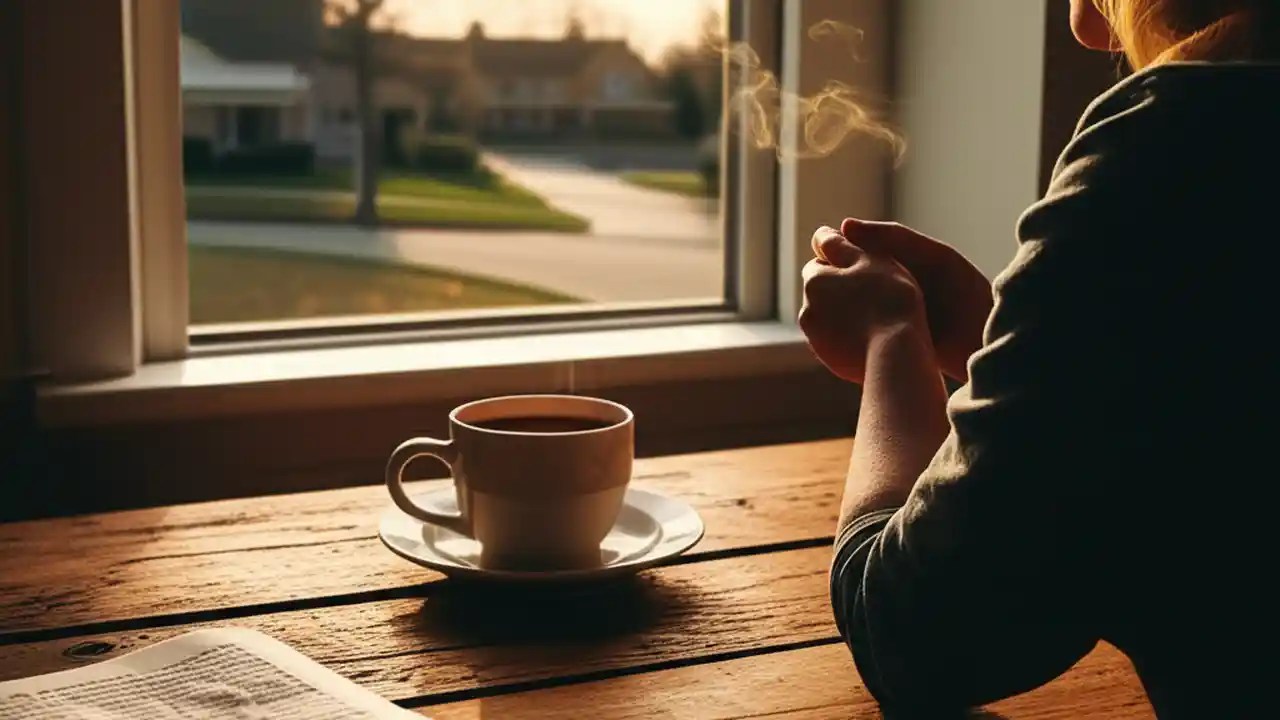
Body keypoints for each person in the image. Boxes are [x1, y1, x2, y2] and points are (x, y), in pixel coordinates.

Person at [805, 1, 1278, 717]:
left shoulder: (1182, 135)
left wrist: (888, 337)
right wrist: (999, 342)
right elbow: (1198, 417)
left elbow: (912, 632)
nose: (1083, 21)